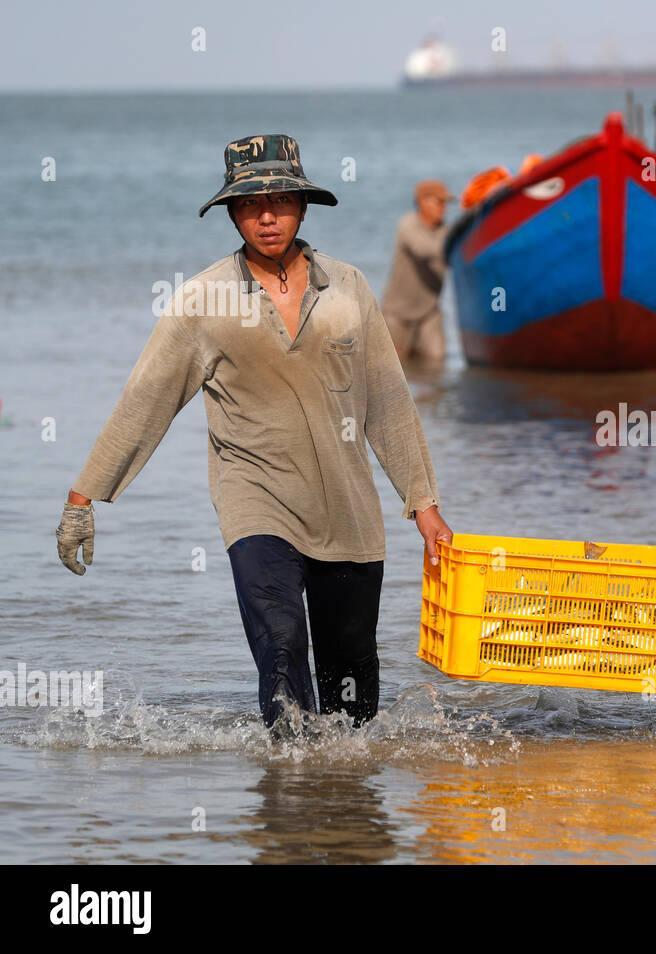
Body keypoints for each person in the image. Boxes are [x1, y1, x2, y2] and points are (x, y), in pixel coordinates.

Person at [54, 133, 453, 733]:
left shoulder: (348, 290)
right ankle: (286, 799)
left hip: (349, 512)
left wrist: (424, 505)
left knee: (353, 696)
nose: (265, 217)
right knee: (282, 645)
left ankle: (345, 813)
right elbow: (146, 400)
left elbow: (390, 404)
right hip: (256, 504)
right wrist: (84, 496)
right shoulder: (203, 301)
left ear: (303, 205)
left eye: (279, 201)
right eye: (247, 205)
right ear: (232, 213)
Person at [382, 179, 451, 363]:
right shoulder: (408, 225)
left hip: (429, 313)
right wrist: (456, 245)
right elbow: (423, 249)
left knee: (437, 365)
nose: (444, 208)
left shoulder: (447, 232)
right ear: (422, 201)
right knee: (394, 369)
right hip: (397, 315)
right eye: (440, 202)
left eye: (446, 203)